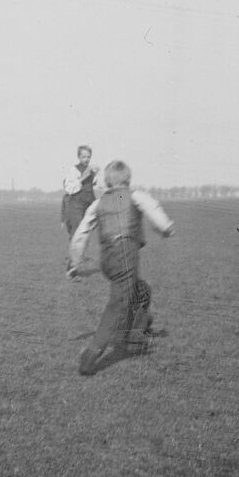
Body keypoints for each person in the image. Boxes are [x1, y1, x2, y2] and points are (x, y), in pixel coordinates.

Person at [68, 160, 175, 376]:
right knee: (116, 306)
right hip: (125, 257)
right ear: (128, 179)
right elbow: (154, 211)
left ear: (107, 181)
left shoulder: (97, 204)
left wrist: (75, 263)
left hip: (107, 260)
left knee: (142, 291)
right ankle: (91, 354)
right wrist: (166, 228)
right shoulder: (135, 195)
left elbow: (80, 234)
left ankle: (134, 336)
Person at [62, 145, 101, 238]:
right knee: (76, 232)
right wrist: (84, 176)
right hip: (77, 204)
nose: (86, 159)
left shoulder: (92, 170)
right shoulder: (74, 170)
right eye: (84, 157)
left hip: (89, 202)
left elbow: (94, 185)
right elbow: (69, 188)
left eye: (88, 157)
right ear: (79, 157)